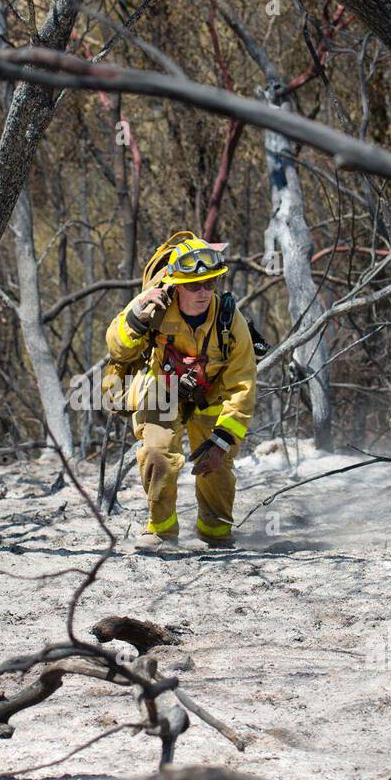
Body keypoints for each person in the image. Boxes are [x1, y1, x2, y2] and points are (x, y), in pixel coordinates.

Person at [105, 234, 257, 550]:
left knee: (217, 464)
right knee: (157, 454)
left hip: (209, 395)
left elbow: (243, 382)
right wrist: (137, 317)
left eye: (209, 284)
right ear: (177, 284)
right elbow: (115, 346)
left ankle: (215, 532)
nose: (202, 292)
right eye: (193, 286)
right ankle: (161, 531)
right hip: (162, 390)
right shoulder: (154, 303)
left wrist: (224, 439)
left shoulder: (229, 318)